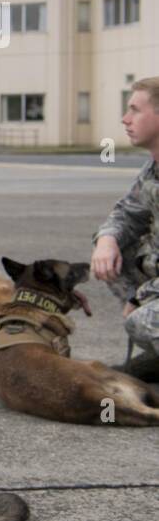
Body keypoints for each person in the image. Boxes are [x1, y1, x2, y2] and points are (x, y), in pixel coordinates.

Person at [91, 77, 159, 382]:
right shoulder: (154, 166)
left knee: (142, 322)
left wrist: (138, 299)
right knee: (114, 256)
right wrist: (106, 240)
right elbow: (127, 213)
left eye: (135, 110)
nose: (124, 118)